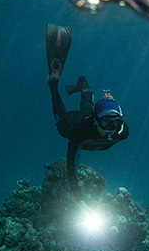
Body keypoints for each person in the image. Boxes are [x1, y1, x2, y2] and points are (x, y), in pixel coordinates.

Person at [45, 24, 130, 200]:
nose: (111, 127)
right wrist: (79, 200)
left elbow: (109, 122)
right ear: (96, 120)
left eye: (116, 122)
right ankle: (53, 85)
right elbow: (71, 168)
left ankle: (83, 84)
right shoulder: (79, 133)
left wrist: (109, 122)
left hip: (89, 116)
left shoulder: (122, 131)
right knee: (61, 123)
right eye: (106, 122)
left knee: (87, 106)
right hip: (75, 122)